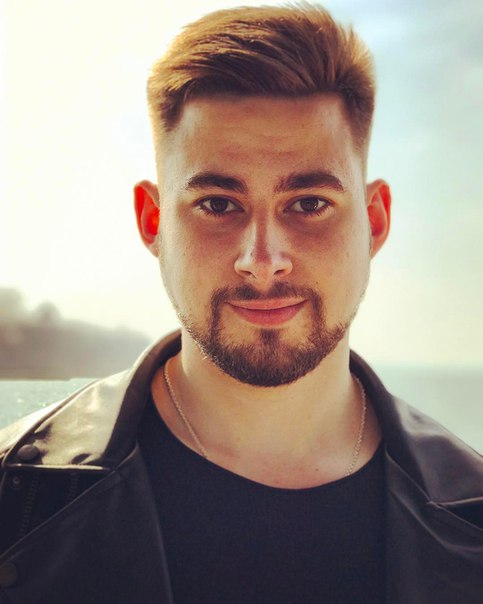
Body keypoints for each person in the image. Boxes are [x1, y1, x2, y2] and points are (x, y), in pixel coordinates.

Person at [0, 4, 481, 603]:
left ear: (374, 222)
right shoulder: (16, 499)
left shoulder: (472, 516)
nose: (262, 259)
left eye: (309, 204)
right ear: (153, 222)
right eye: (217, 205)